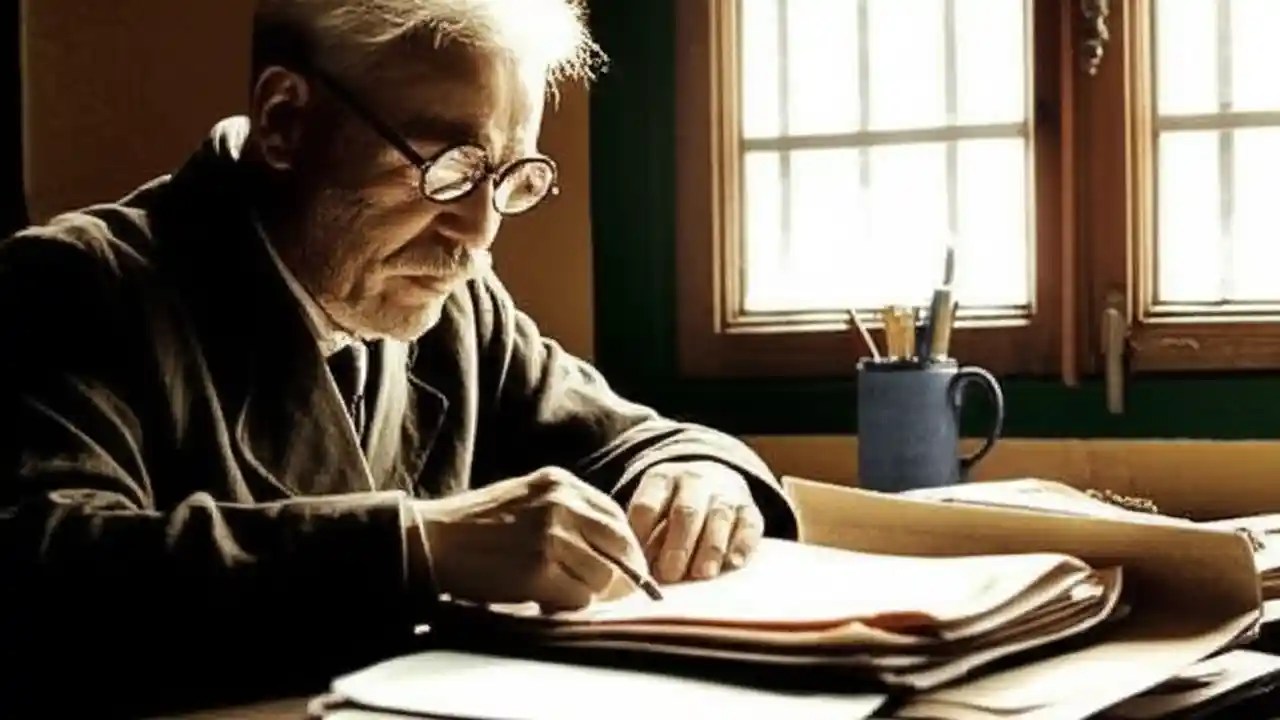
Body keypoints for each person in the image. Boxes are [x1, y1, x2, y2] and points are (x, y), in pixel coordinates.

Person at [0, 0, 798, 713]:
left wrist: (699, 479)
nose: (480, 232)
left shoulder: (457, 309)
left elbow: (638, 439)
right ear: (284, 120)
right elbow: (49, 570)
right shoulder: (72, 283)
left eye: (508, 176)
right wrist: (419, 545)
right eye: (447, 167)